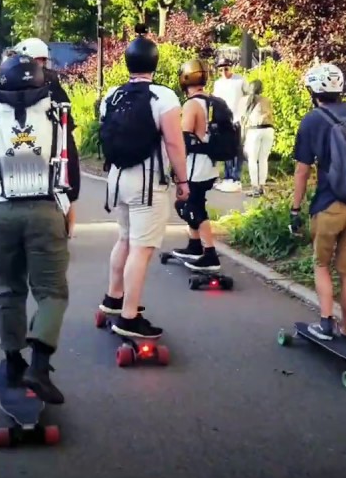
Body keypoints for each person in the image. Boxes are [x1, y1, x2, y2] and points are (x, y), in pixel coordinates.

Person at [0, 54, 82, 404]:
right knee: (52, 292)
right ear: (41, 81)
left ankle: (12, 361)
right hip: (46, 209)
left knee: (9, 289)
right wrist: (71, 207)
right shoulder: (57, 113)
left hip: (2, 211)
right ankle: (38, 367)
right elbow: (69, 164)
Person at [96, 27, 189, 339]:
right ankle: (129, 316)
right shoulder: (164, 96)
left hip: (117, 178)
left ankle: (114, 297)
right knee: (142, 248)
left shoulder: (112, 95)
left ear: (127, 63)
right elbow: (174, 144)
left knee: (124, 239)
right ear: (155, 63)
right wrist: (183, 180)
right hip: (148, 181)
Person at [288, 61, 346, 343]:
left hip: (329, 203)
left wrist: (295, 208)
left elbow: (302, 171)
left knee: (321, 265)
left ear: (312, 90)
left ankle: (326, 323)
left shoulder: (313, 120)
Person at [167, 58, 223, 272]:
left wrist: (175, 167)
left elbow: (183, 139)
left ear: (184, 80)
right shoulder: (213, 101)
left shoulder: (191, 104)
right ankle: (194, 246)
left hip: (195, 165)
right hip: (209, 163)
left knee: (190, 206)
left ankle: (209, 254)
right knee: (194, 203)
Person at [210, 58, 246, 192]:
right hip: (223, 119)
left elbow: (247, 97)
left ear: (231, 68)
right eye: (221, 70)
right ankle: (227, 176)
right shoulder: (218, 84)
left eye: (226, 69)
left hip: (237, 118)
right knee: (225, 147)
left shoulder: (240, 80)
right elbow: (215, 101)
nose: (224, 72)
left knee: (236, 149)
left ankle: (236, 177)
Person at [241, 78, 275, 196]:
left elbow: (243, 119)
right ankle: (262, 186)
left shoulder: (246, 100)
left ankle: (254, 186)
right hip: (269, 129)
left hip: (254, 130)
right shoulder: (267, 100)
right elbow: (270, 114)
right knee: (263, 159)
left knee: (252, 160)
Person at [14, 37, 71, 104]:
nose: (40, 63)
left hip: (42, 112)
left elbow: (64, 102)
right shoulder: (12, 76)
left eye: (43, 59)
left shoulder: (50, 77)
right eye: (36, 59)